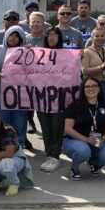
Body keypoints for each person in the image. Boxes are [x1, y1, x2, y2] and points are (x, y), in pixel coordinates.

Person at [61, 78, 105, 180]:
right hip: (75, 141)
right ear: (83, 89)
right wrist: (86, 139)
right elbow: (67, 129)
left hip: (97, 141)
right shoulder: (75, 105)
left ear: (99, 89)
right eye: (87, 86)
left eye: (94, 86)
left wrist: (103, 140)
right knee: (83, 150)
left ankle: (94, 163)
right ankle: (74, 167)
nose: (91, 89)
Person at [36, 29, 67, 172]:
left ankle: (56, 156)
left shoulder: (66, 55)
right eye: (50, 35)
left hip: (59, 97)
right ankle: (49, 154)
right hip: (42, 97)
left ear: (59, 38)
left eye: (56, 35)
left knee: (57, 127)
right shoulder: (38, 55)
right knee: (46, 127)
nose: (52, 38)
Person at [0, 26, 31, 147]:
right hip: (1, 96)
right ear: (6, 36)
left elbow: (34, 72)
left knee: (19, 126)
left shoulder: (27, 52)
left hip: (21, 97)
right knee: (2, 126)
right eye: (11, 34)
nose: (13, 38)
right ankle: (3, 150)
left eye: (17, 36)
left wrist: (31, 54)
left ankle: (19, 149)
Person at [81, 28, 105, 107]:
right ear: (92, 38)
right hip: (92, 86)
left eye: (102, 36)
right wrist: (101, 67)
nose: (100, 38)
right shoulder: (86, 52)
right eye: (97, 36)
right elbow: (84, 71)